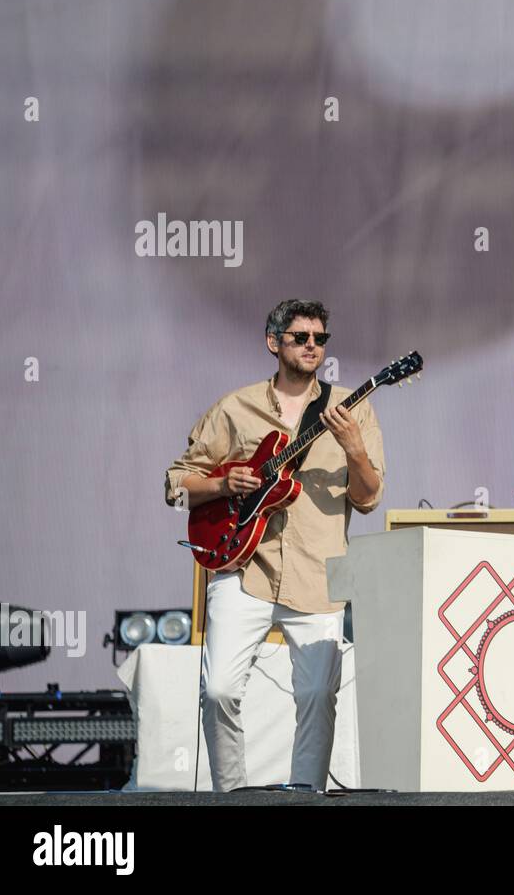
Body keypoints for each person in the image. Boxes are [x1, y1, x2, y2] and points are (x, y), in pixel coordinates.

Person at [165, 299, 385, 791]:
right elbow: (177, 487)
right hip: (244, 566)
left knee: (316, 695)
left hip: (317, 572)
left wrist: (353, 448)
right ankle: (231, 796)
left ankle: (306, 794)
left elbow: (368, 498)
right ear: (273, 342)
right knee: (218, 689)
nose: (312, 346)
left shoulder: (352, 408)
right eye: (300, 337)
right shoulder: (235, 407)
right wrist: (223, 484)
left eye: (320, 339)